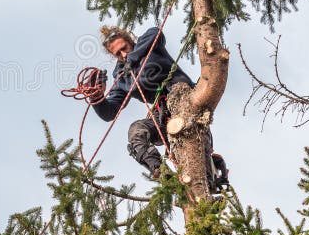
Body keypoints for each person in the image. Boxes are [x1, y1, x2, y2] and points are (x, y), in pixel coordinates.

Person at [89, 25, 228, 187]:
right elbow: (109, 112)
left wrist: (133, 58)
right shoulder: (122, 77)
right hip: (161, 114)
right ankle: (161, 173)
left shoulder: (148, 44)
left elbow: (156, 31)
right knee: (136, 131)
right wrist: (96, 98)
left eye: (124, 48)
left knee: (195, 150)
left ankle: (209, 182)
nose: (123, 55)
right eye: (118, 54)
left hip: (184, 98)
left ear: (130, 42)